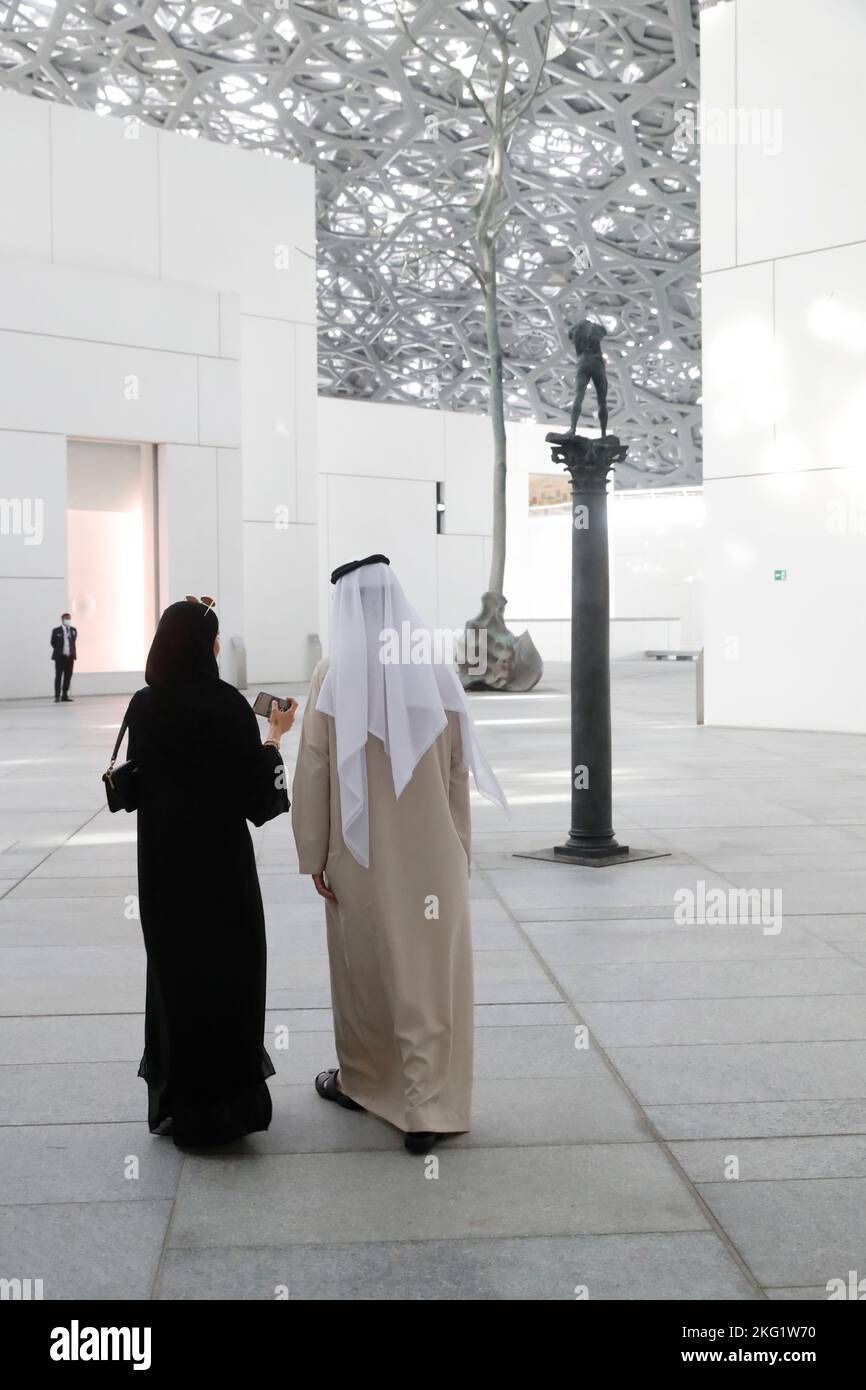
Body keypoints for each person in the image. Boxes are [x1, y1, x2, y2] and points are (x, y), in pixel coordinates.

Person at [291, 556, 508, 1155]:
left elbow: (312, 769)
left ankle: (365, 1083)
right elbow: (459, 771)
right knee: (429, 976)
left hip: (360, 856)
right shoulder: (433, 669)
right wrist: (459, 846)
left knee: (369, 970)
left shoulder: (333, 674)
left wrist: (313, 854)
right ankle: (430, 1104)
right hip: (435, 855)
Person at [124, 597, 296, 1148]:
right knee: (228, 976)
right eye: (215, 638)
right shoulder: (226, 708)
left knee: (176, 979)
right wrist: (274, 737)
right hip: (221, 873)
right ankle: (226, 1106)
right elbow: (258, 803)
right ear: (205, 645)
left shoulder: (144, 707)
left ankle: (181, 1100)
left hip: (164, 872)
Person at [50, 612, 77, 702]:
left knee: (68, 676)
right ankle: (57, 696)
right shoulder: (56, 631)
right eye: (66, 619)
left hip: (70, 657)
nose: (68, 620)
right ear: (62, 620)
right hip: (60, 657)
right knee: (58, 676)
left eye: (69, 619)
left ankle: (65, 695)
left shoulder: (73, 630)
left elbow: (73, 641)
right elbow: (53, 643)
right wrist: (60, 650)